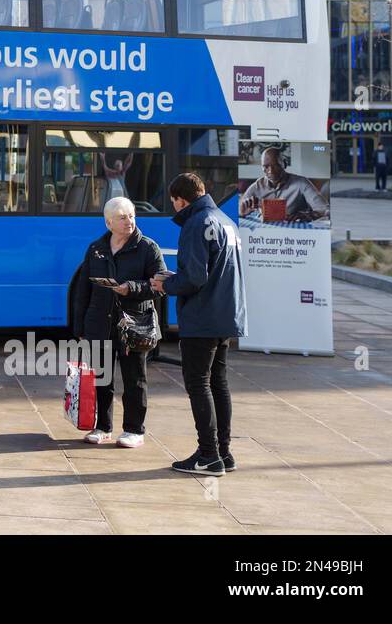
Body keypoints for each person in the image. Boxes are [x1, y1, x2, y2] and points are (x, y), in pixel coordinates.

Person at [151, 173, 247, 477]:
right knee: (219, 384)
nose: (175, 209)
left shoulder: (195, 223)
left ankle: (207, 455)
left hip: (202, 317)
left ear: (181, 200)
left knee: (199, 384)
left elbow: (194, 277)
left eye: (174, 203)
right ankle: (223, 452)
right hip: (226, 314)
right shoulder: (225, 221)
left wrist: (165, 285)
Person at [71, 196, 164, 448]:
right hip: (99, 323)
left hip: (134, 326)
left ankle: (134, 429)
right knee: (102, 379)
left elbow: (159, 286)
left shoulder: (148, 248)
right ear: (109, 222)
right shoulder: (96, 249)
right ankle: (103, 427)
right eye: (123, 218)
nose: (129, 222)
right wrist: (79, 327)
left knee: (134, 379)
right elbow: (83, 291)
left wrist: (130, 288)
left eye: (132, 216)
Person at [238, 146, 327, 222]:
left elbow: (325, 209)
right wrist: (241, 212)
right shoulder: (257, 186)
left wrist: (307, 215)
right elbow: (237, 210)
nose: (271, 171)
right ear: (262, 167)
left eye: (275, 165)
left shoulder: (301, 183)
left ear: (284, 164)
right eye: (266, 167)